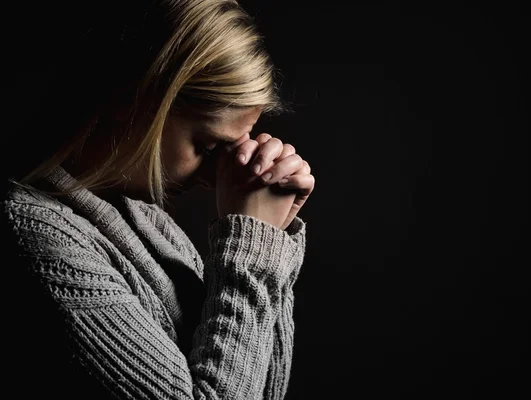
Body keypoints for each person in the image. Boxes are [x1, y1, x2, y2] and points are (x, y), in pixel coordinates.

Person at [2, 0, 314, 399]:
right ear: (133, 102)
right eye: (206, 146)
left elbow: (262, 389)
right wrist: (253, 247)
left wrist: (273, 237)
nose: (211, 178)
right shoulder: (33, 236)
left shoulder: (148, 220)